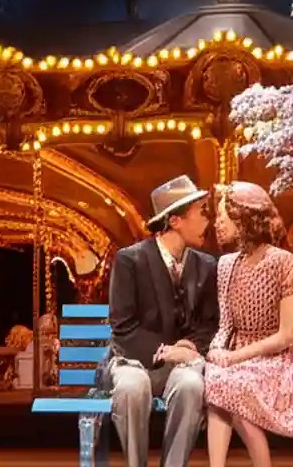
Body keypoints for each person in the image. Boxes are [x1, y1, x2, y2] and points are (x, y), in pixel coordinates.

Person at [204, 181, 293, 467]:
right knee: (217, 381)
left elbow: (288, 335)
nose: (216, 223)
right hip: (237, 359)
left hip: (277, 360)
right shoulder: (226, 265)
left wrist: (234, 357)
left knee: (232, 385)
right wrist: (216, 352)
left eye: (223, 215)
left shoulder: (283, 263)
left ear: (244, 218)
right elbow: (226, 326)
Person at [105, 175, 220, 467]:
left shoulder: (206, 265)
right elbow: (123, 326)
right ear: (175, 220)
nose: (208, 220)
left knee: (192, 386)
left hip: (180, 365)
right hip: (134, 360)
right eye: (201, 212)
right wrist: (166, 350)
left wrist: (190, 345)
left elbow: (209, 324)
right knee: (132, 387)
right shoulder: (130, 260)